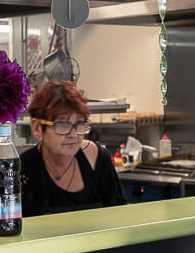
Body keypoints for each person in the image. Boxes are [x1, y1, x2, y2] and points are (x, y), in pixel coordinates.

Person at [20, 80, 125, 216]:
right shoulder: (23, 169)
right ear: (37, 128)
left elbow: (120, 216)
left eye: (79, 123)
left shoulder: (98, 159)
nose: (74, 134)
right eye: (62, 124)